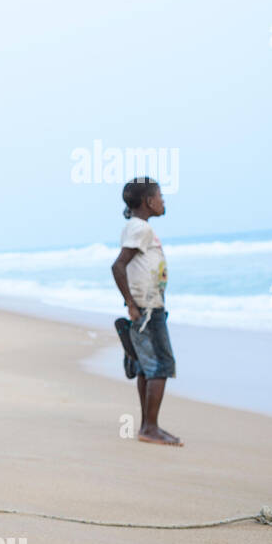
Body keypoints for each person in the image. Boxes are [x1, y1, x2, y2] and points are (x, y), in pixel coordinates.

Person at [111, 176, 182, 446]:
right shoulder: (139, 228)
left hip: (149, 306)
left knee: (145, 367)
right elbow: (118, 266)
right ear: (148, 201)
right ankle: (150, 427)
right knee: (161, 366)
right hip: (147, 309)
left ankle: (146, 425)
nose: (163, 201)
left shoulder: (137, 227)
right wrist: (130, 302)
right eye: (160, 196)